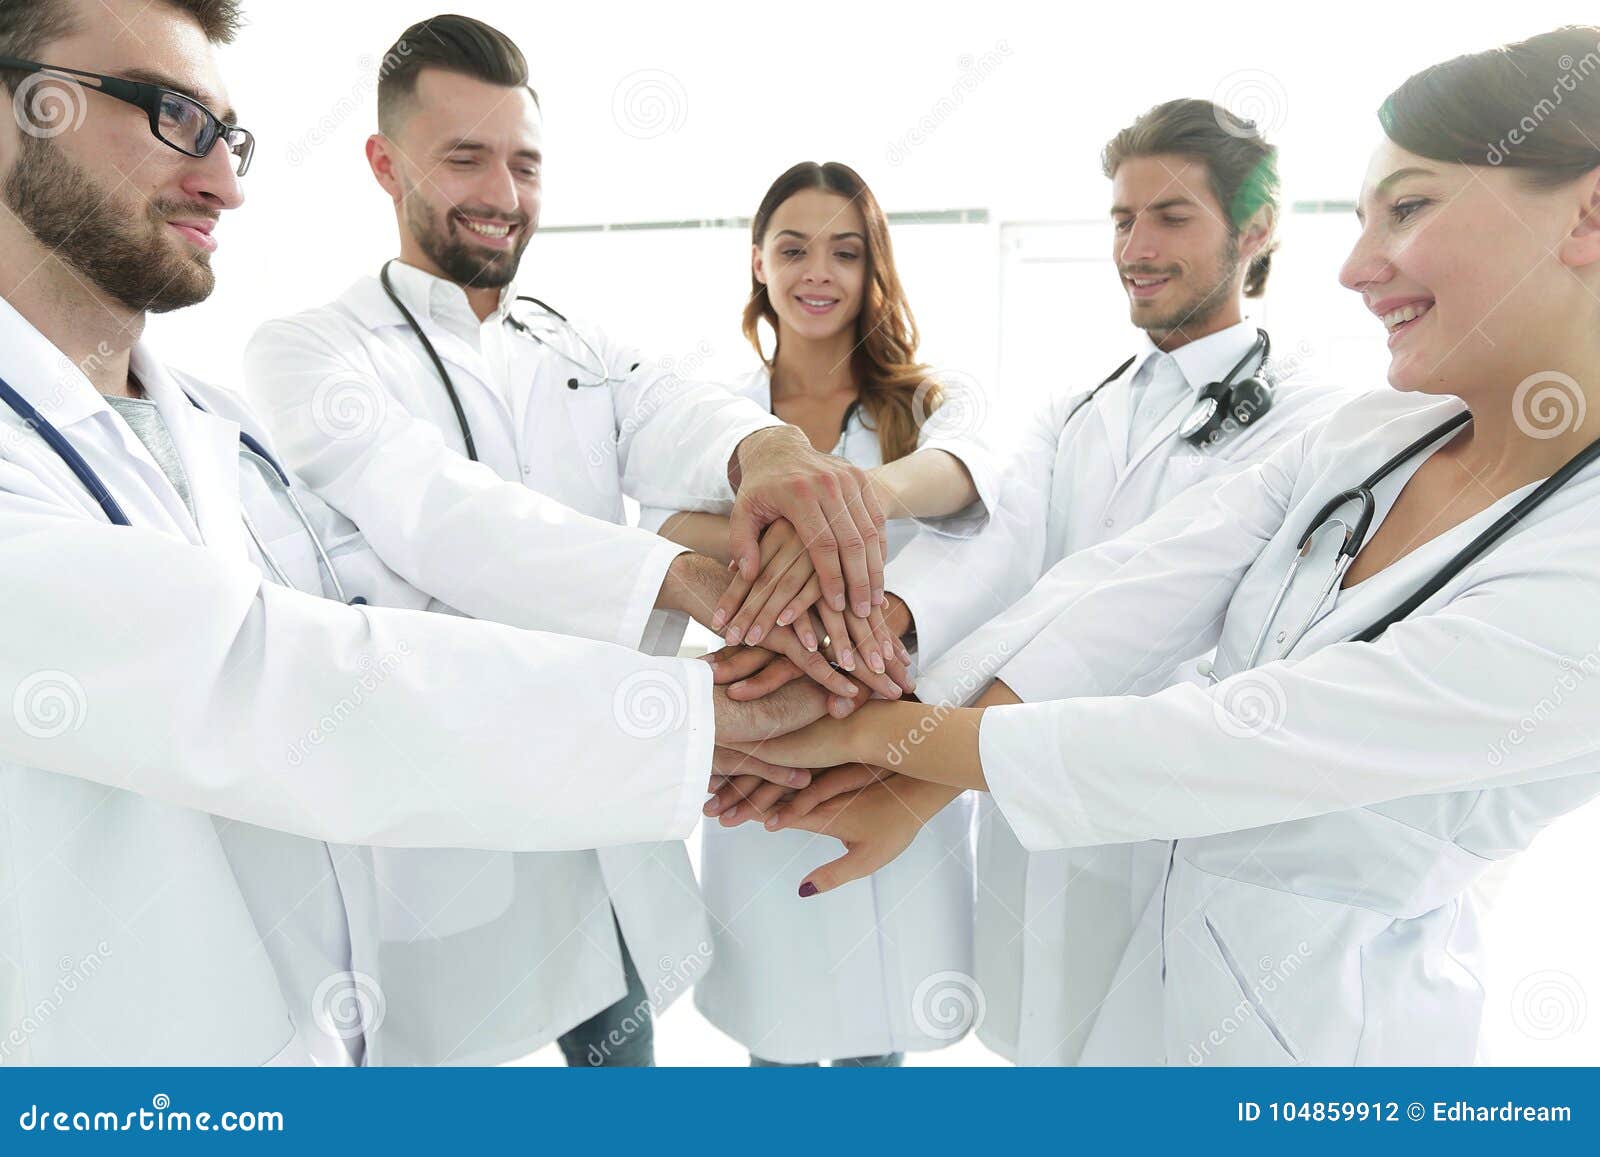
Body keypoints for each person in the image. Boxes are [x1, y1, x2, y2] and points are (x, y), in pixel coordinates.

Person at [732, 25, 1600, 1066]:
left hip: (1330, 1042)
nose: (1357, 266)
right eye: (1121, 218)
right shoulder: (1372, 434)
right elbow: (1126, 586)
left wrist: (874, 734)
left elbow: (1242, 737)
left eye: (1408, 207)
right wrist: (908, 748)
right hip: (1138, 961)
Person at [0, 0, 826, 1066]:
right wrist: (697, 657)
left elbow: (359, 608)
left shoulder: (219, 428)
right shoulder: (309, 354)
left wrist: (766, 460)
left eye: (229, 135)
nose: (225, 182)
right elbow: (298, 648)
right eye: (169, 113)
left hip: (388, 956)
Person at [239, 16, 896, 1066]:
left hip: (604, 822)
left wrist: (764, 448)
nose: (502, 191)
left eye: (524, 162)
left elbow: (674, 408)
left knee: (624, 1084)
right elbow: (435, 509)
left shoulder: (570, 335)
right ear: (384, 162)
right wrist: (683, 579)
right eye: (466, 158)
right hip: (452, 844)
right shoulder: (309, 349)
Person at [711, 100, 1350, 1064]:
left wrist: (896, 754)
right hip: (1027, 814)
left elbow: (1141, 601)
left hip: (1166, 808)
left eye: (1170, 217)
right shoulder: (1073, 406)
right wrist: (877, 627)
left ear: (1255, 231)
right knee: (1036, 1055)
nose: (1136, 246)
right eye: (1122, 219)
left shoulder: (1314, 417)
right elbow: (995, 545)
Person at [643, 161, 998, 1066]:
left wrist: (829, 509)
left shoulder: (928, 401)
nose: (818, 273)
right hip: (765, 736)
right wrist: (810, 531)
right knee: (782, 1025)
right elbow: (654, 518)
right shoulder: (718, 409)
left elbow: (972, 489)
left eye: (846, 251)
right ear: (757, 261)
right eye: (793, 248)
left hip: (890, 728)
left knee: (883, 1039)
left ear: (874, 269)